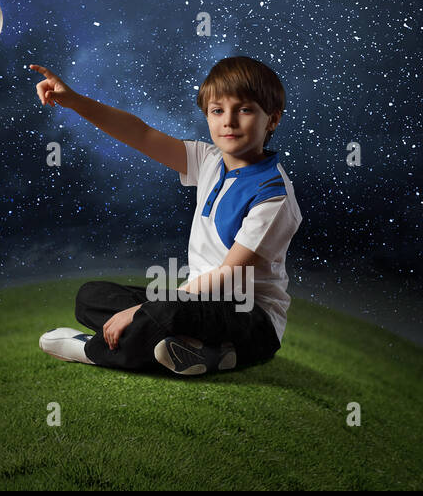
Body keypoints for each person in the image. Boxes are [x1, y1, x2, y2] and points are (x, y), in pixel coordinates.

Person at [28, 56, 302, 376]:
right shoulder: (209, 160)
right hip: (196, 303)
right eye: (217, 110)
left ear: (272, 119)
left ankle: (91, 349)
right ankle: (209, 354)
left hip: (251, 318)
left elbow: (228, 275)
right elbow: (139, 134)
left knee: (166, 310)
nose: (228, 121)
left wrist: (143, 310)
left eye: (244, 110)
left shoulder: (273, 195)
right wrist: (74, 101)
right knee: (91, 296)